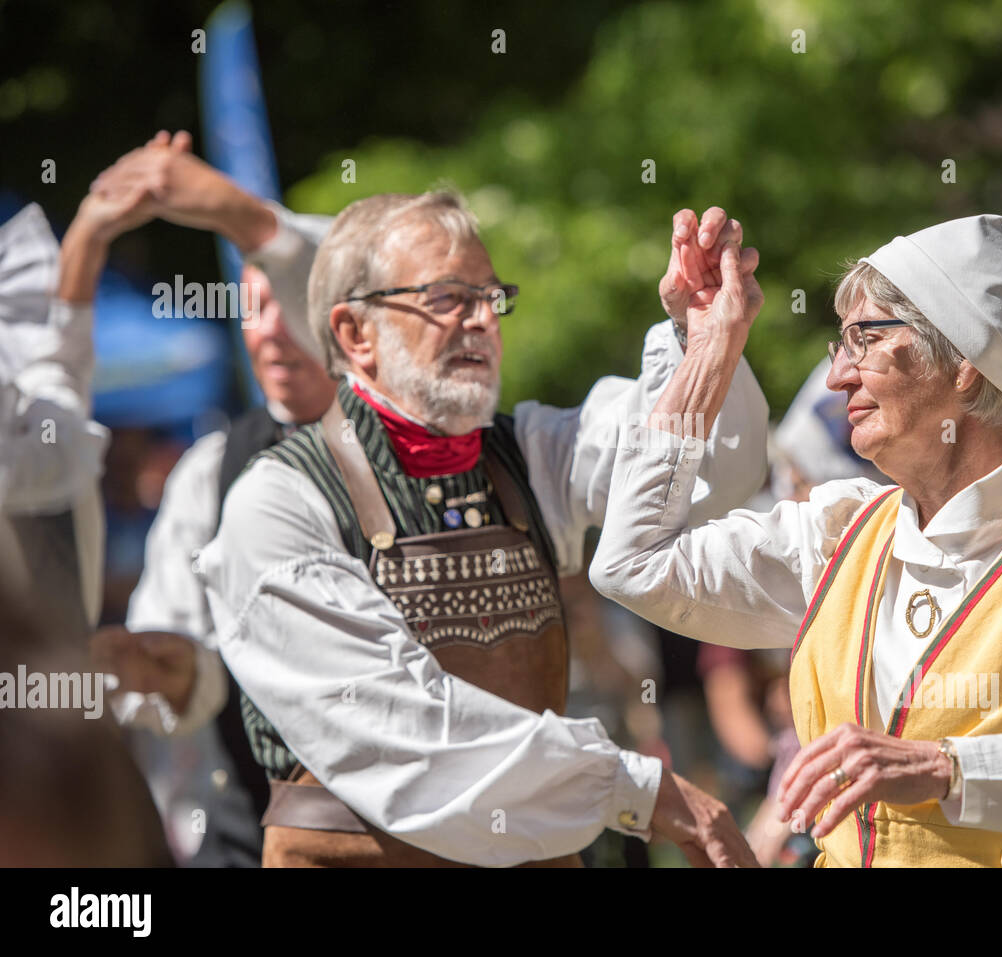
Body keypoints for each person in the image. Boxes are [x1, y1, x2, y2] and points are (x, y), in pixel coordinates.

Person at [592, 212, 1002, 867]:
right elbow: (635, 565)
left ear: (968, 360)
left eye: (865, 338)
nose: (836, 377)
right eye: (842, 343)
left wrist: (946, 766)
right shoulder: (838, 535)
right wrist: (706, 352)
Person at [188, 195, 769, 867]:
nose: (484, 318)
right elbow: (406, 735)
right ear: (355, 333)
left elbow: (704, 475)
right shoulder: (281, 500)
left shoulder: (528, 454)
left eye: (492, 296)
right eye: (448, 297)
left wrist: (700, 341)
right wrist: (633, 786)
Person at [86, 131, 338, 866]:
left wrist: (233, 210)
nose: (270, 333)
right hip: (255, 838)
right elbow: (176, 653)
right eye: (251, 308)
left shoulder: (419, 453)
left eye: (288, 302)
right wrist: (169, 669)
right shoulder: (211, 470)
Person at [0, 194, 170, 865]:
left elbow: (57, 364)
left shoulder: (48, 444)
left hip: (69, 774)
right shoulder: (49, 444)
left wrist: (89, 242)